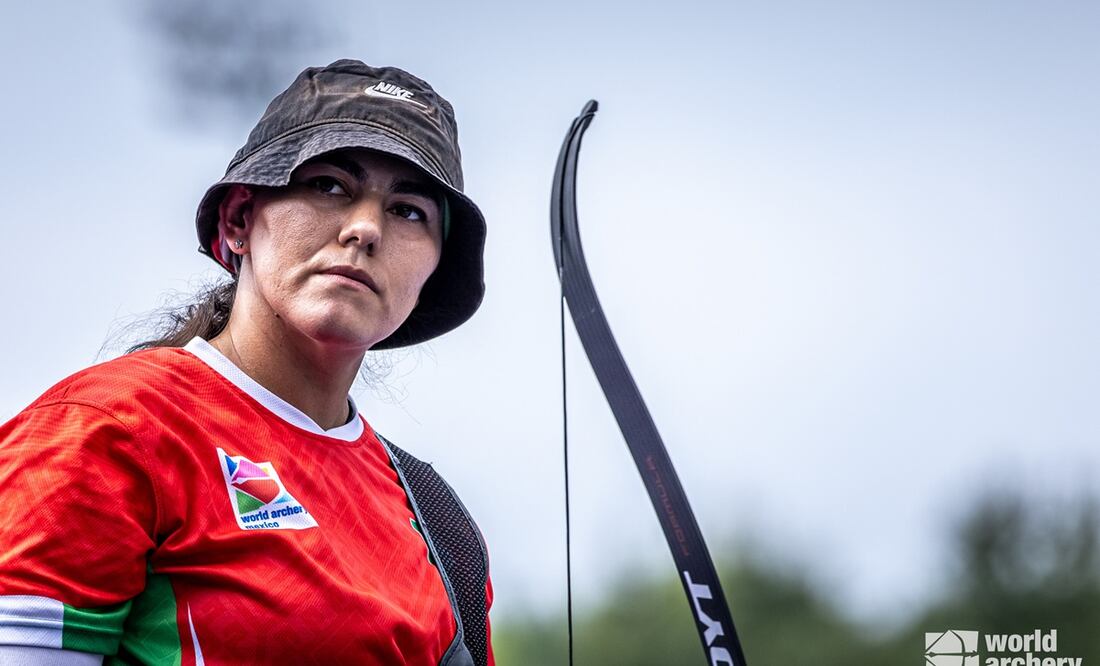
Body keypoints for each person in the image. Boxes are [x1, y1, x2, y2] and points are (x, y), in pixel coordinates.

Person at [0, 59, 492, 665]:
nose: (366, 229)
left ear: (432, 272)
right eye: (329, 185)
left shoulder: (441, 525)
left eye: (409, 210)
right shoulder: (106, 430)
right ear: (239, 220)